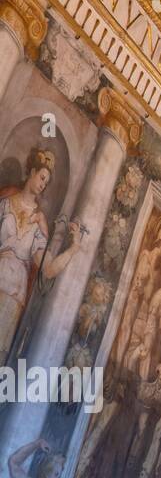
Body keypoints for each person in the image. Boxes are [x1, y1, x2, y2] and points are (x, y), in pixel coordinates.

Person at [0, 148, 86, 359]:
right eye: (41, 177)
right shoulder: (5, 203)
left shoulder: (40, 223)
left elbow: (47, 270)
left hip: (13, 294)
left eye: (46, 182)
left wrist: (74, 248)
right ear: (31, 172)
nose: (42, 184)